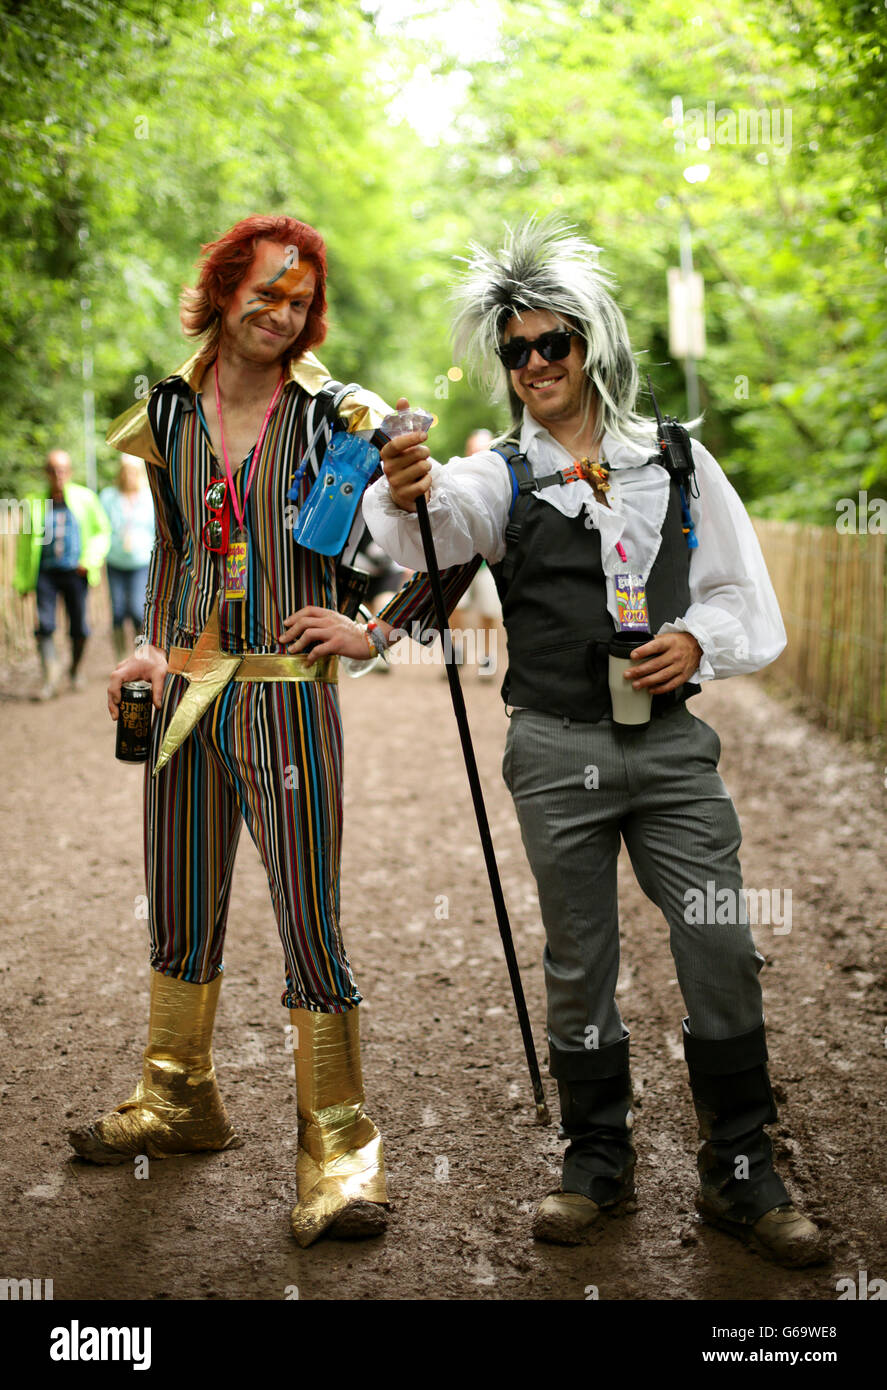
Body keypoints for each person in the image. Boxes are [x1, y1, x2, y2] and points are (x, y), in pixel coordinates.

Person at [362, 216, 826, 1267]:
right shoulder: (498, 479)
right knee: (578, 960)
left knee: (718, 941)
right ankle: (593, 1161)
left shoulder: (674, 458)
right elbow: (423, 529)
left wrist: (692, 642)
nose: (532, 364)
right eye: (513, 349)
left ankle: (741, 1170)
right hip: (552, 750)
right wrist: (404, 481)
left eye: (550, 343)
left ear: (590, 346)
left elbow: (737, 596)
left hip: (666, 752)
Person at [67, 215, 478, 1247]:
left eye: (298, 301)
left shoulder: (346, 418)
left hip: (289, 696)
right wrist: (150, 649)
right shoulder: (164, 411)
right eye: (263, 293)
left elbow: (453, 543)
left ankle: (339, 1155)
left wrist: (376, 630)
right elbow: (168, 551)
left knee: (308, 920)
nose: (280, 313)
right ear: (221, 290)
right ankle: (176, 1096)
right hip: (188, 690)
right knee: (178, 902)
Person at [14, 449, 111, 698]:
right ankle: (50, 676)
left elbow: (102, 532)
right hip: (45, 573)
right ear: (46, 473)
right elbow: (25, 544)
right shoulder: (34, 502)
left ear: (69, 472)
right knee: (44, 625)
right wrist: (23, 580)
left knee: (78, 627)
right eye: (53, 470)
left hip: (75, 572)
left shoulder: (85, 499)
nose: (58, 475)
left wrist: (89, 560)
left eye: (62, 470)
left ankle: (75, 669)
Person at [447, 428, 502, 677]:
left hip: (488, 562)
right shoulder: (456, 477)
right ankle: (456, 650)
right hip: (458, 558)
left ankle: (487, 656)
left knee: (489, 610)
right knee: (454, 606)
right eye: (473, 448)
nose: (476, 453)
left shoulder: (500, 482)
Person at [99, 454, 156, 662]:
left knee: (137, 609)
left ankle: (139, 654)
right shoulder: (108, 496)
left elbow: (156, 529)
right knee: (117, 612)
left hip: (141, 561)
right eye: (124, 470)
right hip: (115, 561)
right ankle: (120, 656)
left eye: (132, 470)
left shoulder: (149, 497)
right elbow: (102, 527)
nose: (128, 475)